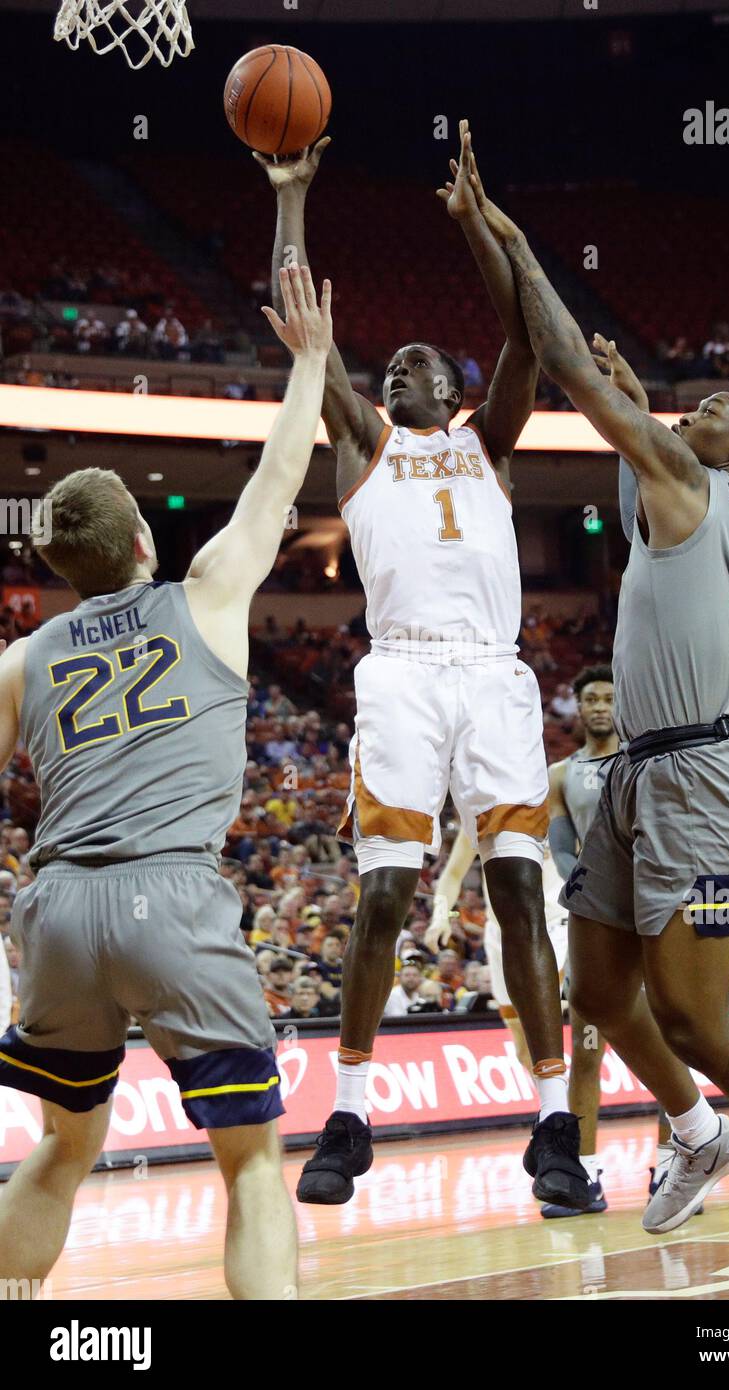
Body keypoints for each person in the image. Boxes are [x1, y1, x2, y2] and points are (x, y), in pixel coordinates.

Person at [465, 127, 729, 1300]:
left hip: (696, 776)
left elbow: (569, 371)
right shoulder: (676, 487)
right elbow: (580, 384)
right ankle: (697, 1131)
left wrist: (512, 237)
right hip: (636, 775)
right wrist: (482, 243)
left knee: (693, 1015)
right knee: (597, 995)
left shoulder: (701, 480)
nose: (704, 400)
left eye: (723, 401)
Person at [257, 123, 590, 1213]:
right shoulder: (362, 442)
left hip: (493, 676)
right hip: (399, 673)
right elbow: (302, 322)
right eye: (388, 364)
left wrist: (474, 228)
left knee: (516, 890)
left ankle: (553, 1130)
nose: (394, 368)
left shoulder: (487, 438)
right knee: (384, 895)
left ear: (446, 385)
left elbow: (527, 334)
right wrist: (291, 193)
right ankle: (348, 1115)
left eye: (414, 363)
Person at [0, 262, 332, 1300]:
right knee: (250, 1163)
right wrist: (312, 359)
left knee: (61, 1149)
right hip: (169, 896)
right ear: (143, 543)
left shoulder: (21, 658)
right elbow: (278, 479)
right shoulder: (207, 593)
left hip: (54, 908)